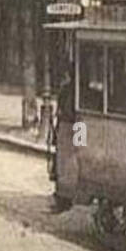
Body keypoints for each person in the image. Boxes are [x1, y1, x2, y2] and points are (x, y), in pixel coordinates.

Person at [48, 72, 76, 214]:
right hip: (79, 124)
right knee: (77, 156)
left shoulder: (66, 89)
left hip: (68, 125)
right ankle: (66, 194)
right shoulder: (85, 90)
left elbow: (61, 110)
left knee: (64, 160)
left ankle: (63, 196)